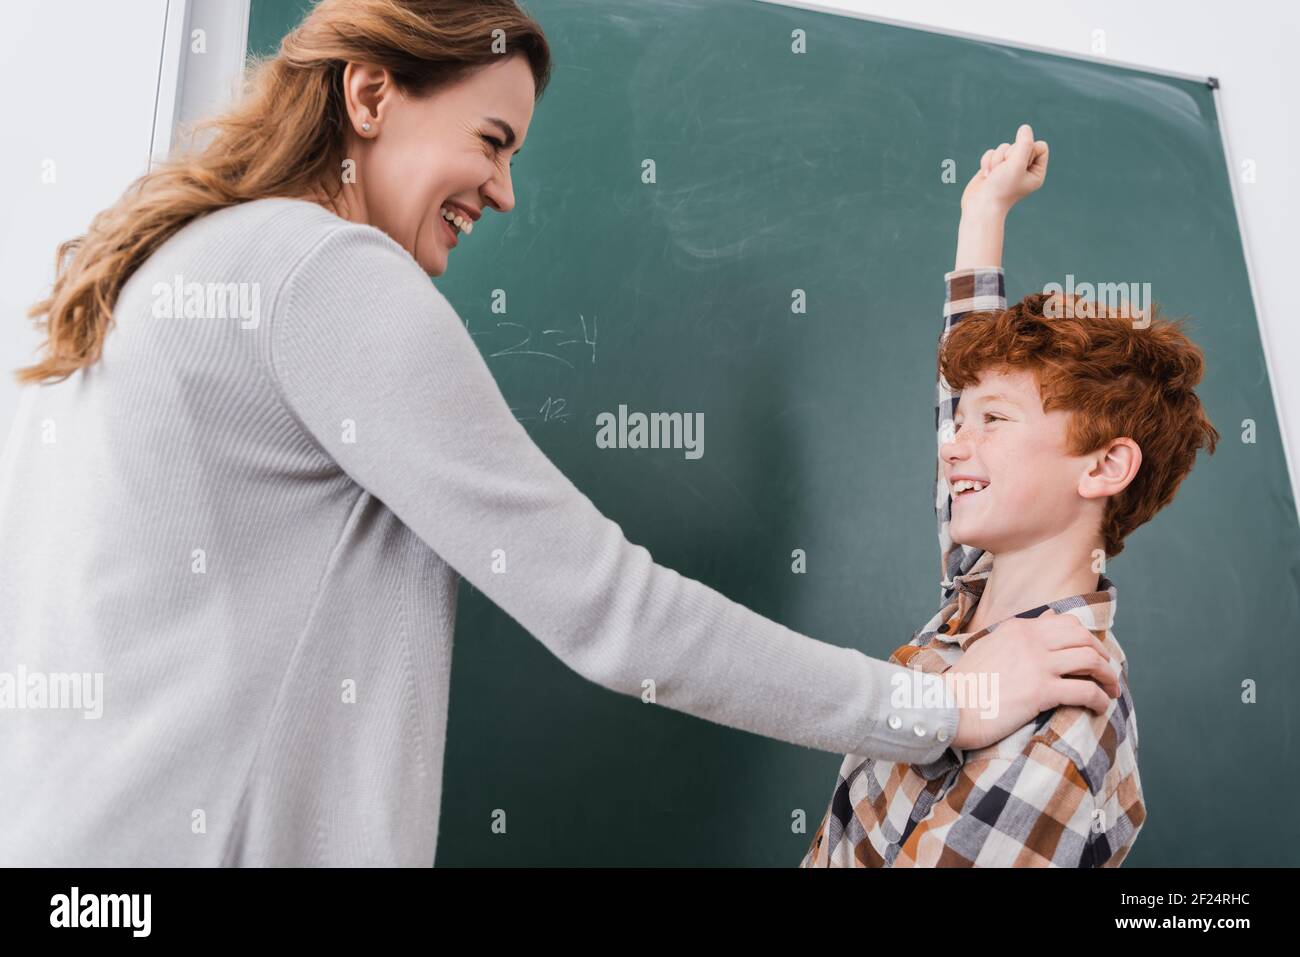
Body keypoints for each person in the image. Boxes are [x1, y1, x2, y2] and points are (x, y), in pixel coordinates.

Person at [0, 1, 1117, 866]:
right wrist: (947, 704)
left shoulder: (180, 269)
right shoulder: (330, 275)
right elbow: (614, 615)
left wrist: (978, 231)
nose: (505, 189)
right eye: (491, 140)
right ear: (372, 94)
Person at [800, 125, 1217, 867]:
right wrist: (983, 214)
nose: (953, 442)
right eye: (960, 419)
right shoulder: (979, 584)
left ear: (1103, 466)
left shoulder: (1063, 725)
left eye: (993, 420)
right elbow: (962, 386)